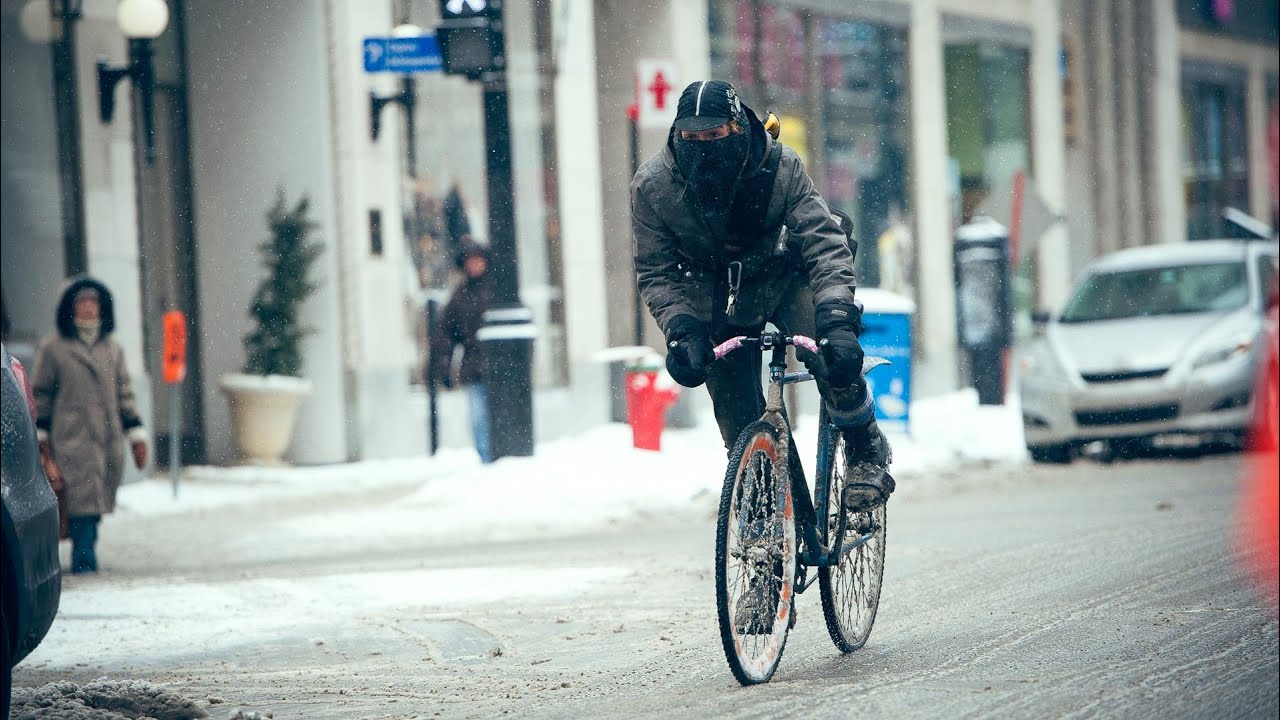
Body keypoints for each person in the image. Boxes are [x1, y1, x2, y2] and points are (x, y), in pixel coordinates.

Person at [631, 80, 893, 514]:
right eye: (691, 137)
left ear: (737, 128)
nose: (702, 147)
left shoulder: (780, 167)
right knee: (735, 412)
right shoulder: (653, 185)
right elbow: (656, 270)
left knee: (832, 356)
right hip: (717, 294)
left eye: (714, 135)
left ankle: (865, 447)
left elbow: (825, 244)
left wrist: (837, 318)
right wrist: (682, 329)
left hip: (786, 276)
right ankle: (760, 515)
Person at [31, 276, 148, 574]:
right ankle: (84, 561)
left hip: (106, 440)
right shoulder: (54, 348)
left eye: (93, 302)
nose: (88, 308)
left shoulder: (112, 350)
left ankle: (85, 553)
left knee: (94, 505)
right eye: (82, 302)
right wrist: (41, 435)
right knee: (79, 504)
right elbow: (41, 394)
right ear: (70, 308)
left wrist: (136, 434)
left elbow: (125, 393)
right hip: (70, 441)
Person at [429, 244, 494, 464]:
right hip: (474, 369)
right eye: (470, 261)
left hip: (500, 367)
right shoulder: (460, 296)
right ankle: (486, 460)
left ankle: (498, 459)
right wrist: (444, 367)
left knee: (496, 415)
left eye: (478, 260)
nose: (474, 265)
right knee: (478, 418)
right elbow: (446, 335)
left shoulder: (499, 291)